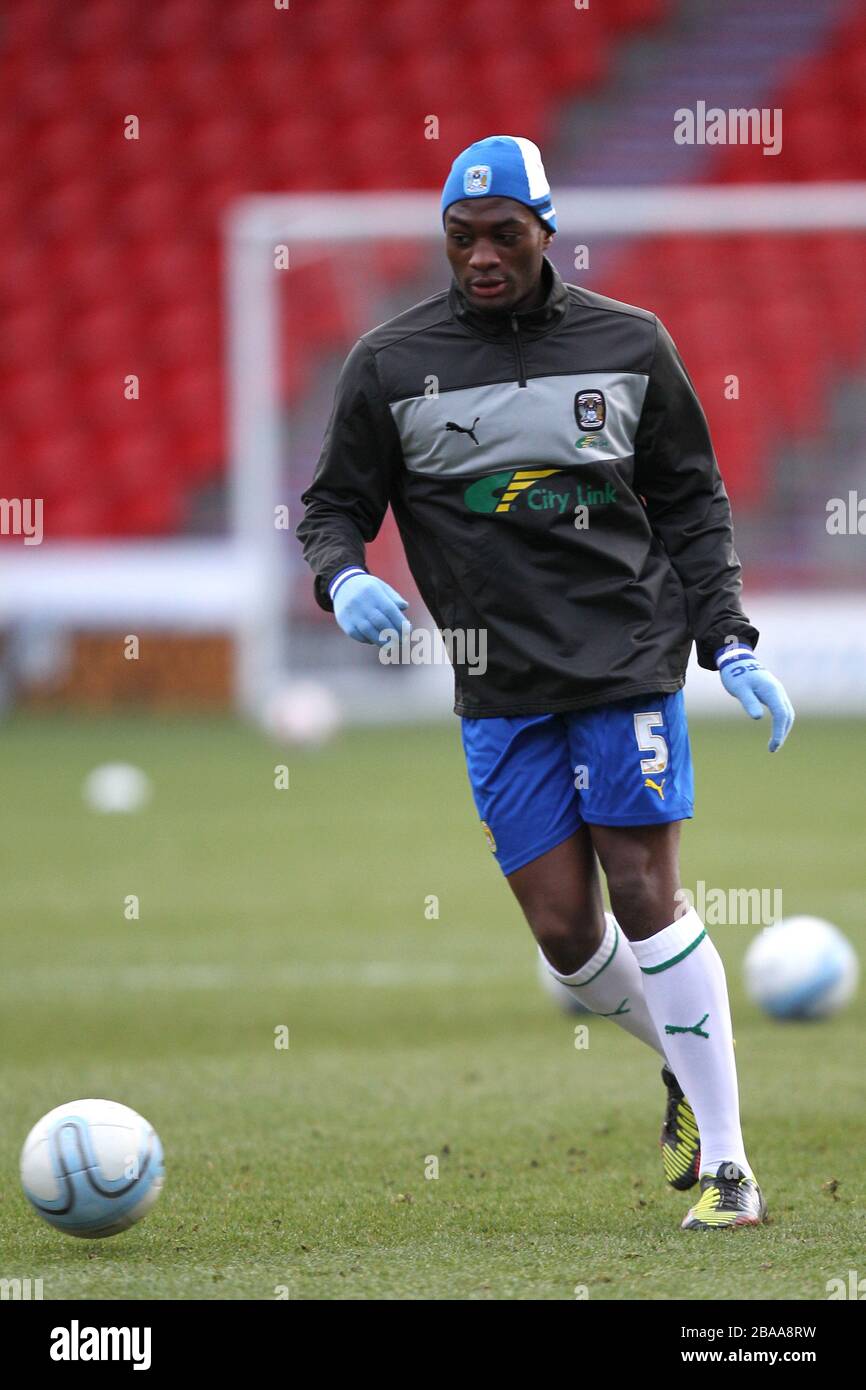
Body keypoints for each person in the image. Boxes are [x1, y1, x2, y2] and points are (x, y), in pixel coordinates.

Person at [297, 135, 795, 1231]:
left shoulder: (629, 344)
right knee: (566, 937)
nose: (478, 256)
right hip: (497, 683)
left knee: (641, 886)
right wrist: (341, 579)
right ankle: (682, 1054)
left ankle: (728, 1167)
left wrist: (731, 643)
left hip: (625, 657)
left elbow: (691, 502)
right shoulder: (389, 364)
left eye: (501, 235)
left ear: (544, 231)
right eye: (459, 237)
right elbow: (331, 505)